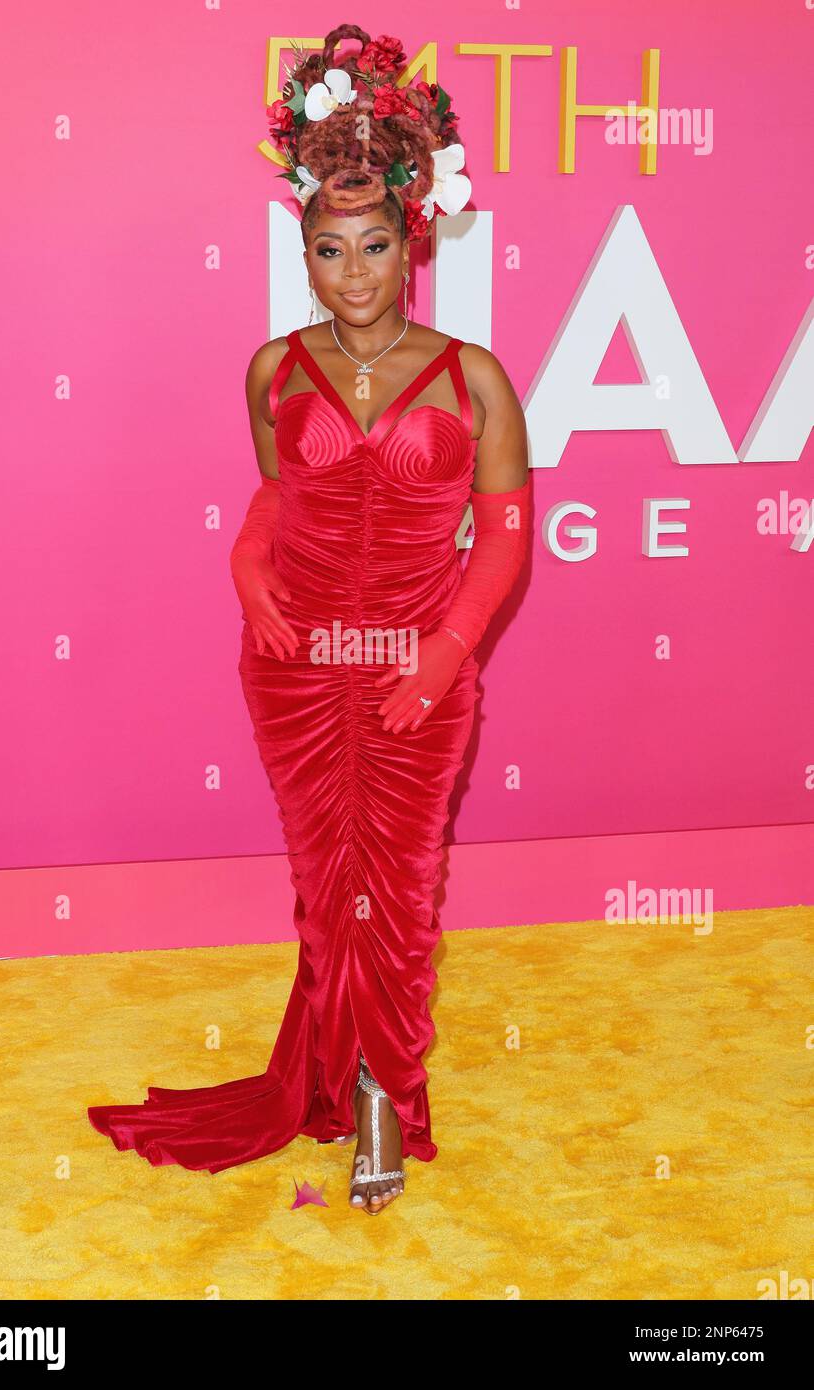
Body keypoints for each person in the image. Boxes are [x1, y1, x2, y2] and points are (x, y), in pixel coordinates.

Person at [88, 22, 532, 1216]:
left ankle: (384, 1090)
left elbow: (504, 535)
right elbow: (276, 498)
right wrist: (246, 570)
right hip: (296, 668)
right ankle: (352, 1082)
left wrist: (443, 653)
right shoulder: (272, 368)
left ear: (412, 240)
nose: (352, 274)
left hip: (415, 665)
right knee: (327, 884)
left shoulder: (474, 374)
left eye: (374, 245)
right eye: (329, 249)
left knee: (403, 880)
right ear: (306, 251)